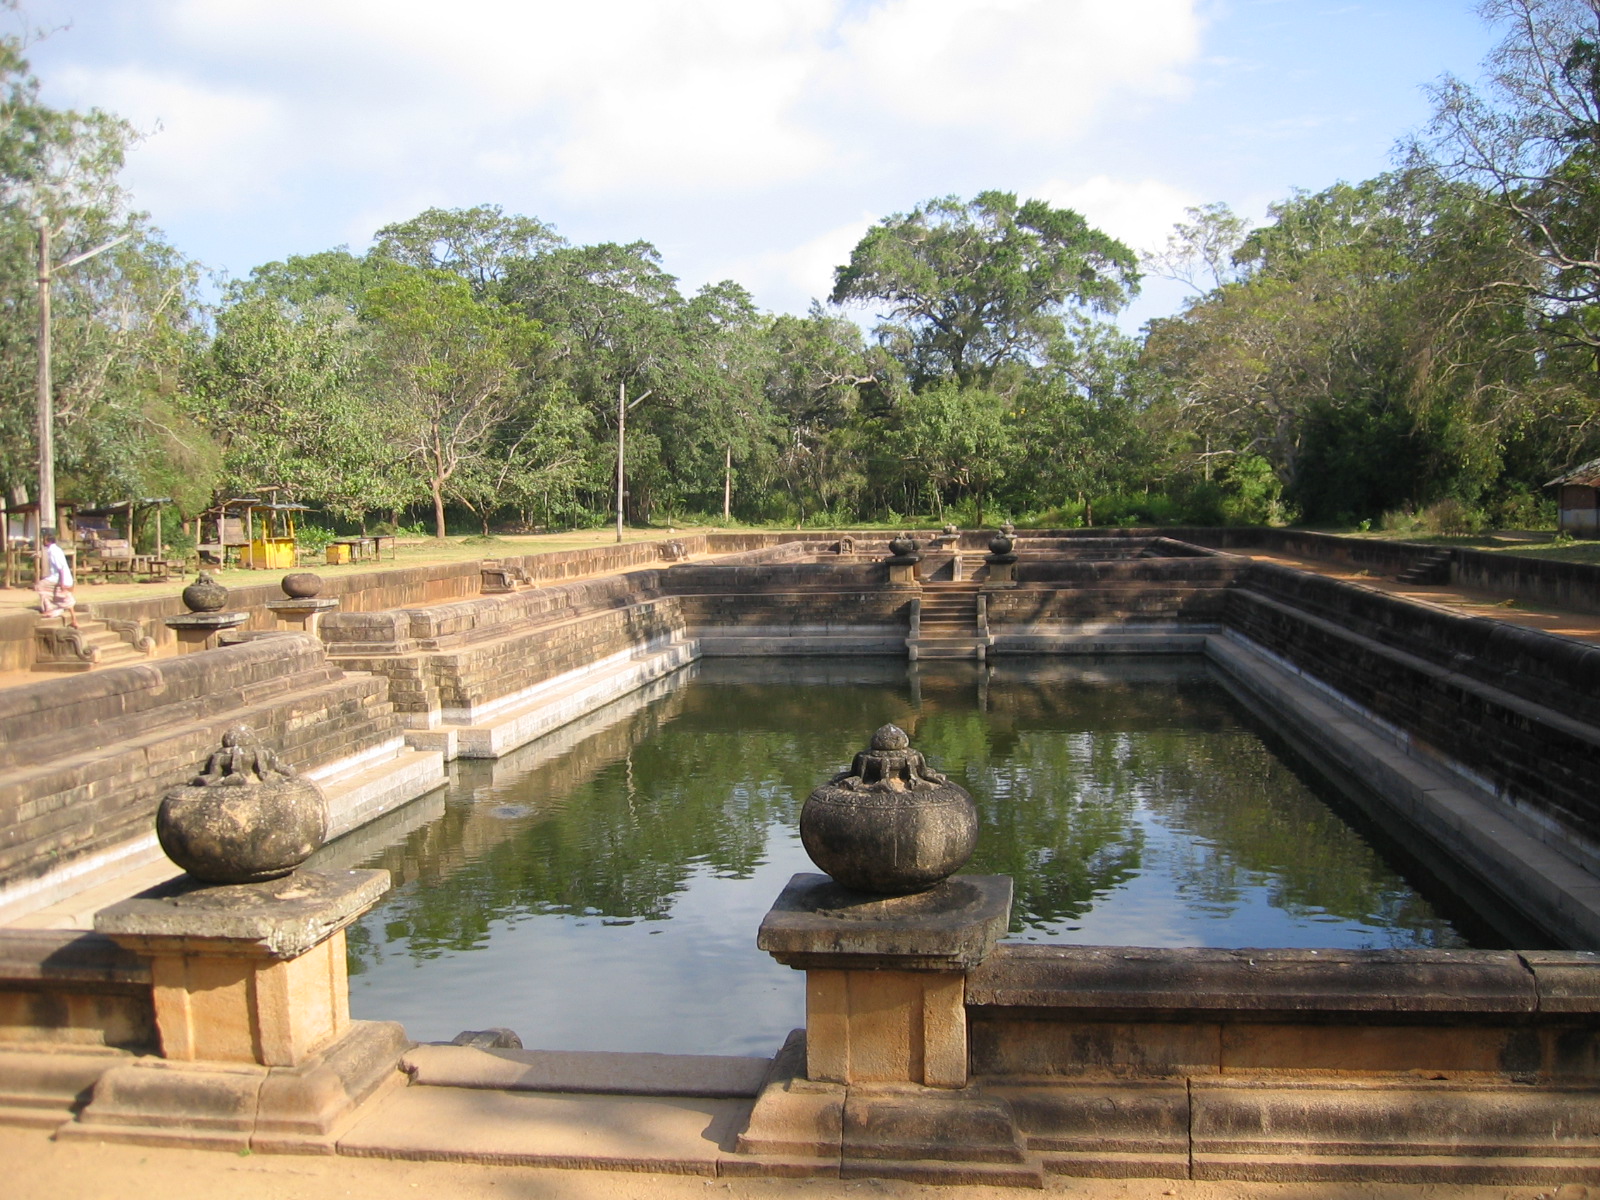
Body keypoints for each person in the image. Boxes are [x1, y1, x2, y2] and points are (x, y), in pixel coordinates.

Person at [36, 529, 77, 627]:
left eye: (44, 540)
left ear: (47, 540)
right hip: (64, 578)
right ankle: (74, 620)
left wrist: (62, 583)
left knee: (40, 586)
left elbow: (60, 568)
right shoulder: (56, 549)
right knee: (66, 599)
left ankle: (50, 609)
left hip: (59, 578)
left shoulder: (53, 551)